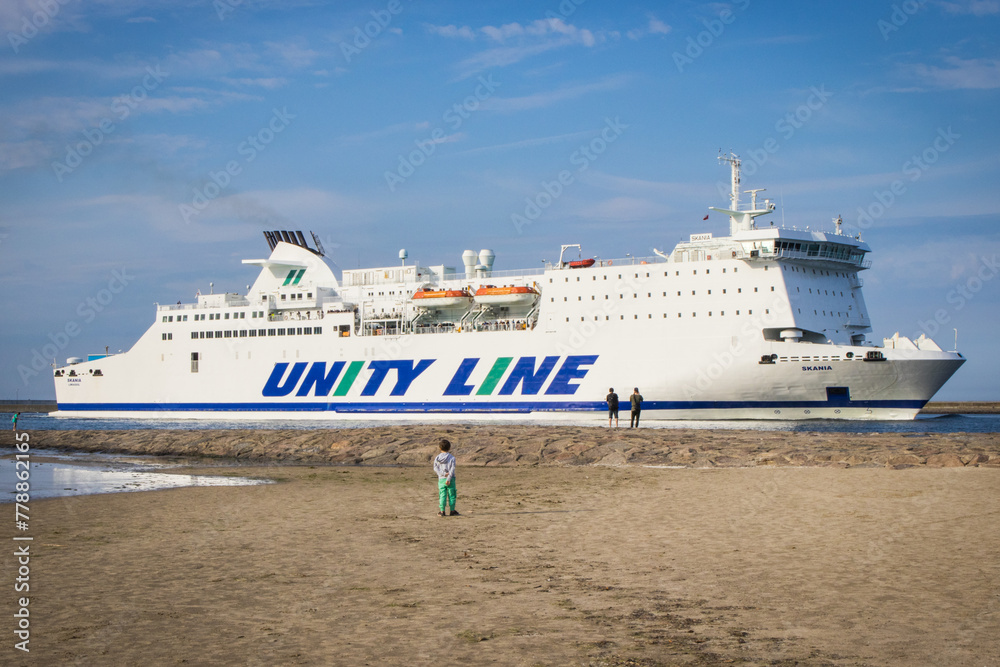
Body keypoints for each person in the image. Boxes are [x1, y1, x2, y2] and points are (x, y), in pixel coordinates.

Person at [433, 438, 458, 517]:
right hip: (451, 479)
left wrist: (442, 474)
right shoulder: (452, 458)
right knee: (452, 495)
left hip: (441, 479)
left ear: (440, 448)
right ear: (449, 448)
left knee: (442, 495)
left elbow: (435, 468)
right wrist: (448, 478)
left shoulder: (437, 458)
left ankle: (442, 511)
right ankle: (452, 510)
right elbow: (452, 469)